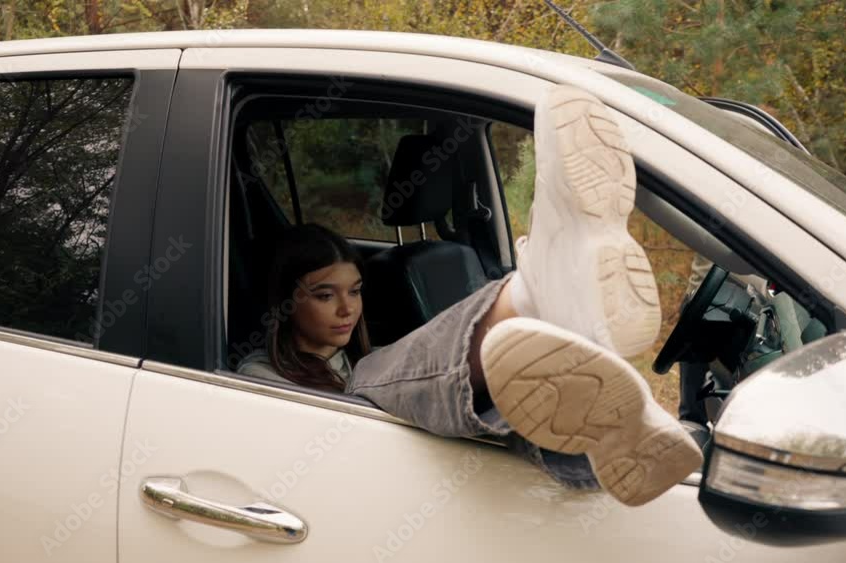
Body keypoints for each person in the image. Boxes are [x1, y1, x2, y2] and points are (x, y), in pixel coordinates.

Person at [238, 85, 702, 507]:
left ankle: (613, 435)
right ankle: (531, 295)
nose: (347, 309)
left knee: (500, 399)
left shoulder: (356, 356)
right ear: (286, 301)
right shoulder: (255, 378)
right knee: (377, 376)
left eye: (356, 291)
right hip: (346, 472)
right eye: (324, 295)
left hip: (396, 446)